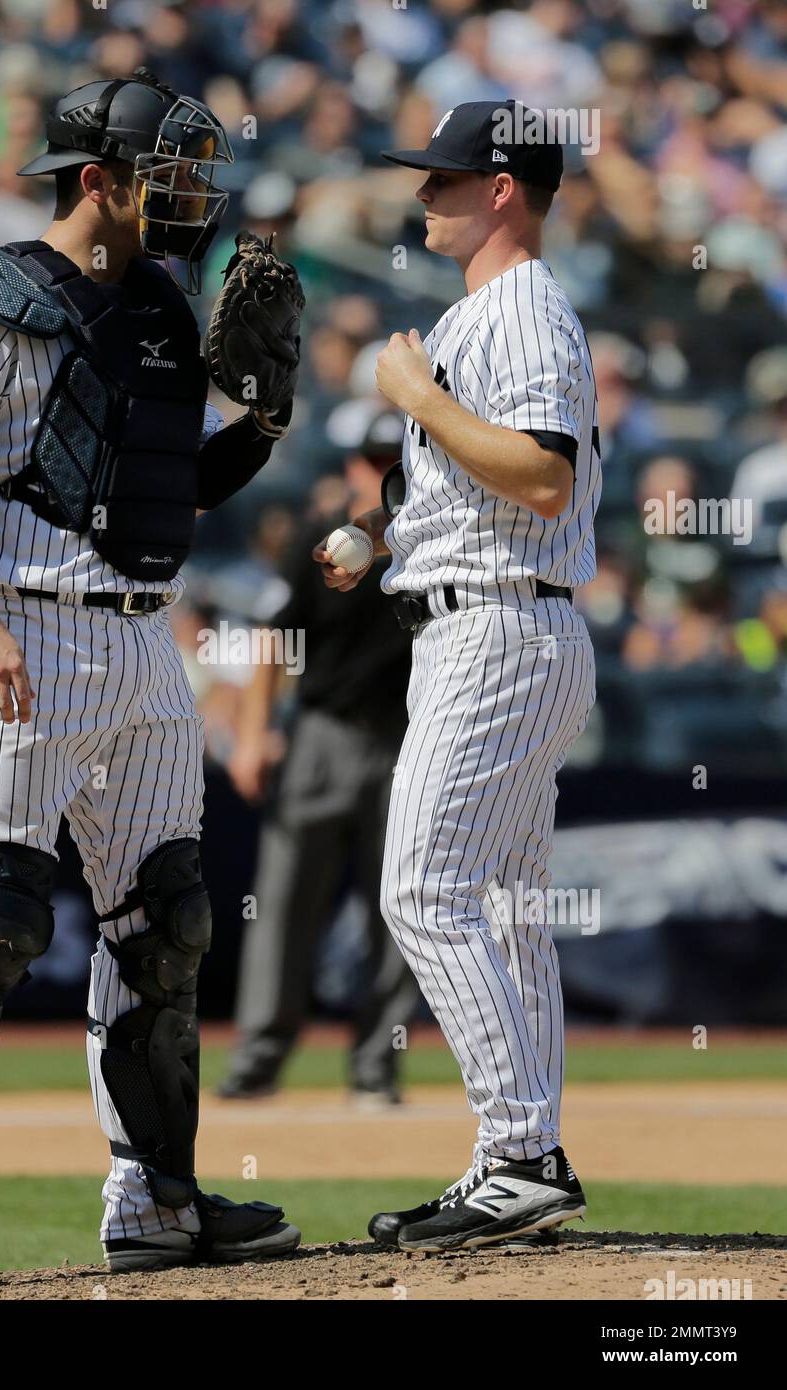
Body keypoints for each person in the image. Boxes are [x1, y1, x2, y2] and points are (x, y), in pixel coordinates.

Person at [0, 69, 302, 1279]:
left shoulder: (160, 298)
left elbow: (173, 489)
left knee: (167, 923)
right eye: (170, 173)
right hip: (21, 633)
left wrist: (257, 431)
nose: (191, 195)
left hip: (145, 639)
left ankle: (154, 1203)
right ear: (97, 178)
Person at [314, 100, 601, 1252]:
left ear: (500, 190)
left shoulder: (522, 307)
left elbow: (542, 478)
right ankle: (513, 1160)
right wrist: (383, 534)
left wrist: (417, 400)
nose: (421, 194)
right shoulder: (487, 312)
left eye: (443, 178)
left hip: (498, 630)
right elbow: (485, 488)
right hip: (485, 620)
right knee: (505, 912)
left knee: (422, 892)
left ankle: (524, 1153)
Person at [219, 411, 420, 1106]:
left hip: (407, 738)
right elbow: (272, 643)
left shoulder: (433, 543)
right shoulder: (316, 541)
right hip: (321, 734)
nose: (378, 473)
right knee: (283, 903)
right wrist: (251, 735)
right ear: (348, 468)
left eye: (392, 460)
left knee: (398, 909)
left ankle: (375, 1063)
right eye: (369, 460)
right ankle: (259, 1056)